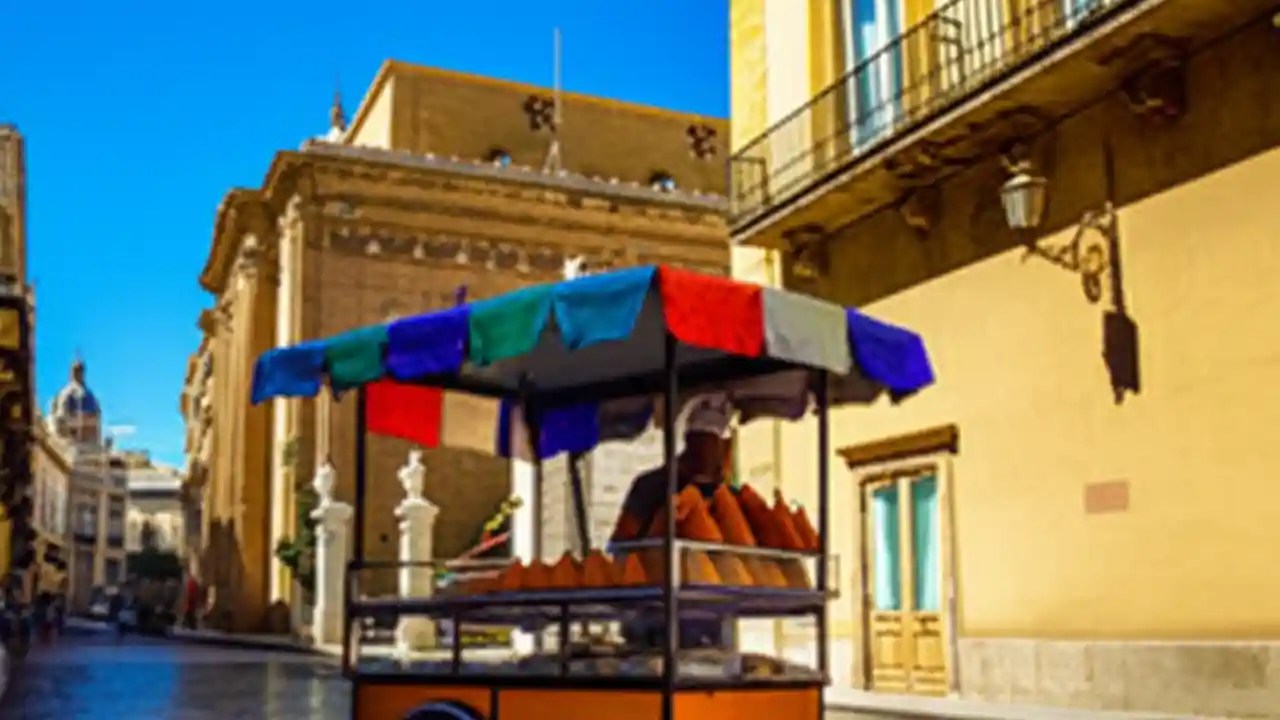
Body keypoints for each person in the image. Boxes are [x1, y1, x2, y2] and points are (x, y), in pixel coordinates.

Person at [612, 394, 734, 650]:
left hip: (709, 622)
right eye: (704, 446)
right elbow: (620, 548)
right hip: (650, 617)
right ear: (687, 443)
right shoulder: (651, 486)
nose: (716, 459)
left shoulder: (724, 497)